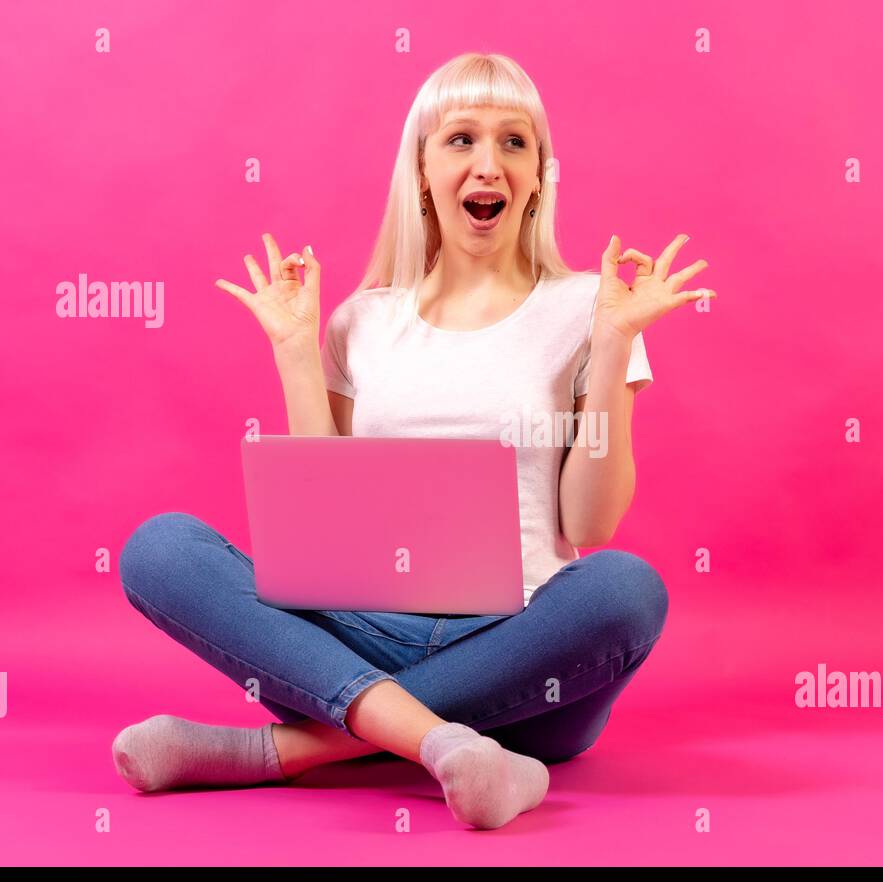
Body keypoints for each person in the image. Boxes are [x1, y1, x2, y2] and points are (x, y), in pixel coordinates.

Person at [112, 51, 716, 830]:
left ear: (539, 176)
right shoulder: (362, 322)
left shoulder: (590, 309)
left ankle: (280, 752)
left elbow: (590, 526)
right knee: (160, 549)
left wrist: (611, 347)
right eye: (461, 139)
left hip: (527, 656)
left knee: (627, 587)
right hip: (364, 630)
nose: (488, 163)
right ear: (422, 169)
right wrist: (296, 353)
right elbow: (323, 531)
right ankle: (454, 746)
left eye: (514, 142)